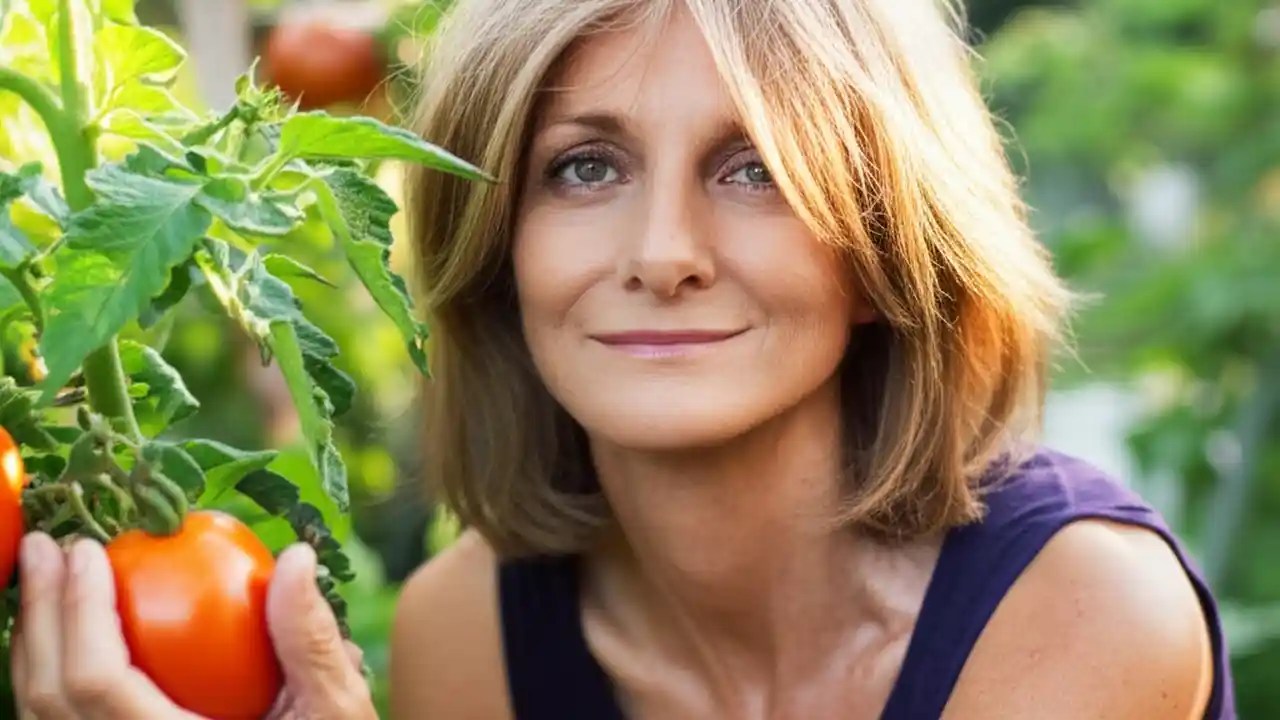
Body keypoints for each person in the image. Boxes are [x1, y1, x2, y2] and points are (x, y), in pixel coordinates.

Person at [10, 0, 1236, 718]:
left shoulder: (1076, 613)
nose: (663, 253)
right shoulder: (467, 633)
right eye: (583, 167)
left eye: (752, 167)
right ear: (497, 244)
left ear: (881, 248)